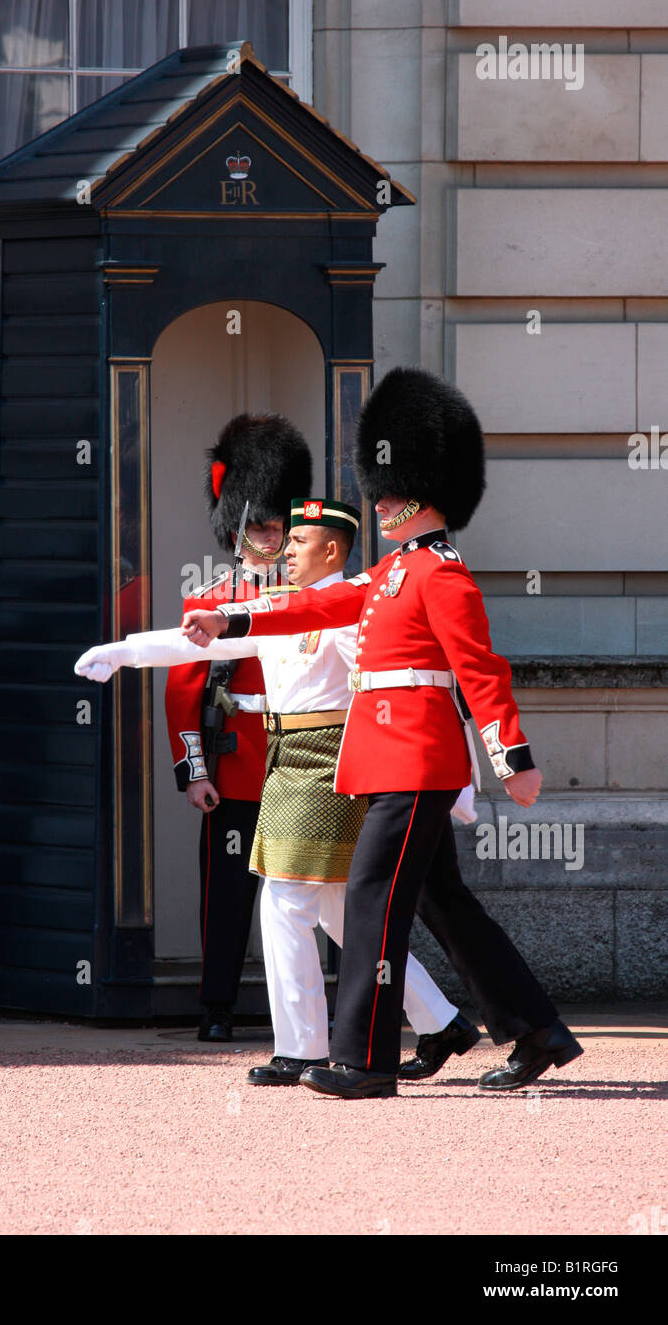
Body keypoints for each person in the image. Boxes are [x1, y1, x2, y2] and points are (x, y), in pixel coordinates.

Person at [181, 366, 583, 1097]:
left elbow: (481, 670)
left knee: (367, 898)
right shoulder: (391, 571)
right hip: (384, 758)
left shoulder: (442, 575)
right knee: (445, 905)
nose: (381, 499)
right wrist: (229, 621)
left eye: (392, 490)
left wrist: (511, 758)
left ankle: (362, 1060)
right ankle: (536, 1031)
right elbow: (310, 609)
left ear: (424, 494)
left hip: (416, 759)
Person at [76, 495, 479, 1085]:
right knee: (342, 912)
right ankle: (441, 1021)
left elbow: (424, 686)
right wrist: (126, 652)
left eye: (298, 542)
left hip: (330, 764)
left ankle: (303, 1047)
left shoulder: (357, 611)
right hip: (285, 761)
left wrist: (458, 781)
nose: (285, 551)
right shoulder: (278, 607)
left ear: (332, 551)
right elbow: (202, 643)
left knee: (286, 902)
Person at [164, 413, 312, 1042]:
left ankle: (301, 1018)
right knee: (226, 901)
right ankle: (217, 1006)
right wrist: (195, 774)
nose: (271, 539)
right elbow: (183, 694)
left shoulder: (309, 599)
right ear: (237, 530)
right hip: (237, 767)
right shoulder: (210, 600)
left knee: (303, 899)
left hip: (301, 764)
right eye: (259, 527)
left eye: (279, 528)